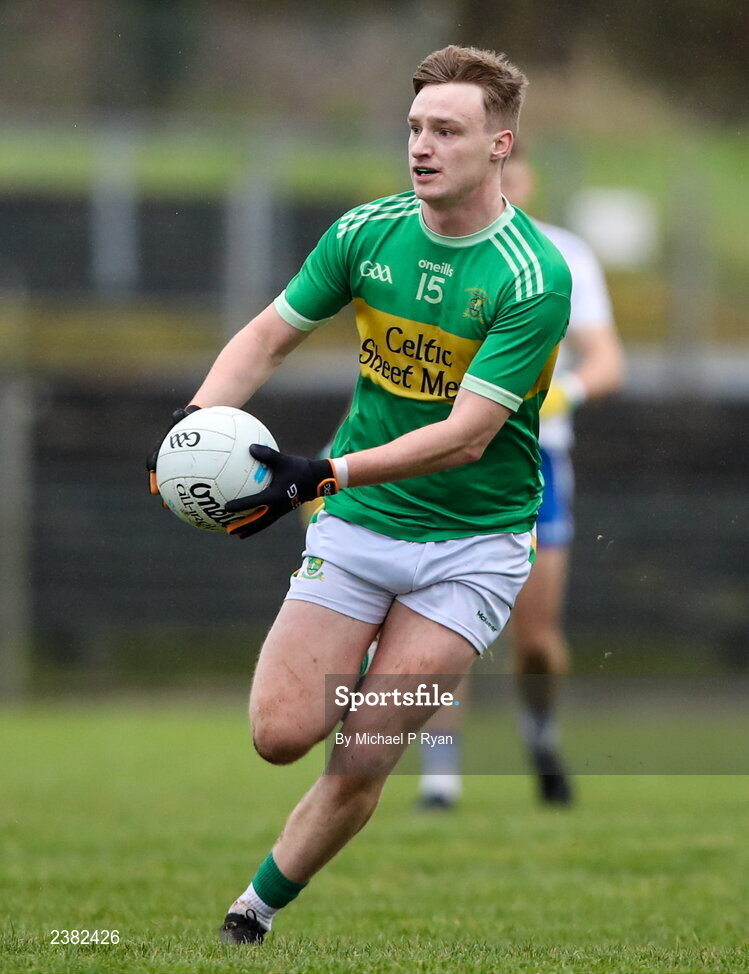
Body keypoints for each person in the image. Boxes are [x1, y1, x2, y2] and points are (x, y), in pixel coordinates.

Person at [147, 45, 571, 944]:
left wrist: (324, 471)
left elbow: (465, 437)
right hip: (362, 523)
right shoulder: (365, 232)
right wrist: (190, 427)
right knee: (279, 733)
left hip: (474, 543)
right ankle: (382, 675)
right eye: (414, 127)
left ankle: (249, 915)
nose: (421, 146)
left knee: (364, 751)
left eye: (446, 131)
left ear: (500, 145)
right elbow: (267, 335)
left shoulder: (532, 277)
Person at [416, 145, 625, 809]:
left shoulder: (562, 255)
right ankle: (440, 779)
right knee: (443, 629)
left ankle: (538, 733)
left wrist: (563, 395)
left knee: (534, 637)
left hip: (533, 463)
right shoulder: (431, 249)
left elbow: (605, 361)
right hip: (445, 457)